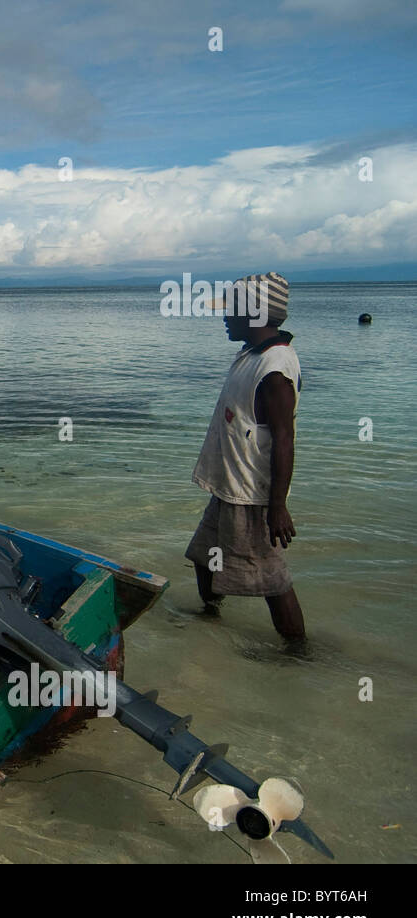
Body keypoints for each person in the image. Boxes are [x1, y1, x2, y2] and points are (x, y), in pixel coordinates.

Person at [185, 271, 305, 641]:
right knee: (204, 558)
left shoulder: (274, 369)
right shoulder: (251, 356)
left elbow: (284, 439)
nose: (224, 316)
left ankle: (297, 652)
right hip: (228, 486)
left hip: (252, 495)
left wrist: (278, 506)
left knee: (271, 580)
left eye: (231, 309)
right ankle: (209, 618)